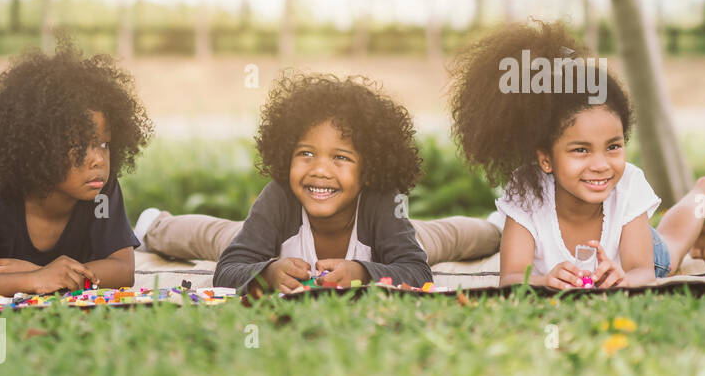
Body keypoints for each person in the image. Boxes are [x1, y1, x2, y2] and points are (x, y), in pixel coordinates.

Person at [137, 71, 498, 296]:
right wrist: (265, 272)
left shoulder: (381, 201)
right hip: (263, 235)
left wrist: (363, 272)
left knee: (446, 238)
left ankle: (496, 226)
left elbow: (417, 272)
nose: (320, 170)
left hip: (398, 234)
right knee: (218, 237)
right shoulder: (279, 198)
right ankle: (154, 224)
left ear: (369, 171)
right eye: (306, 153)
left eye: (340, 157)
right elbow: (228, 269)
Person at [447, 20, 705, 290]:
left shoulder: (626, 184)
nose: (601, 165)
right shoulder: (526, 194)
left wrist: (624, 280)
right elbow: (511, 277)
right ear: (545, 159)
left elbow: (642, 272)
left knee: (673, 245)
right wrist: (545, 281)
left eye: (613, 146)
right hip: (611, 239)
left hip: (635, 247)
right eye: (581, 150)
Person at [0, 41, 152, 300]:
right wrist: (34, 279)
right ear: (37, 148)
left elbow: (123, 270)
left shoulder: (102, 192)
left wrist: (47, 273)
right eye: (79, 146)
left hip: (43, 266)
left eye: (103, 144)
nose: (99, 160)